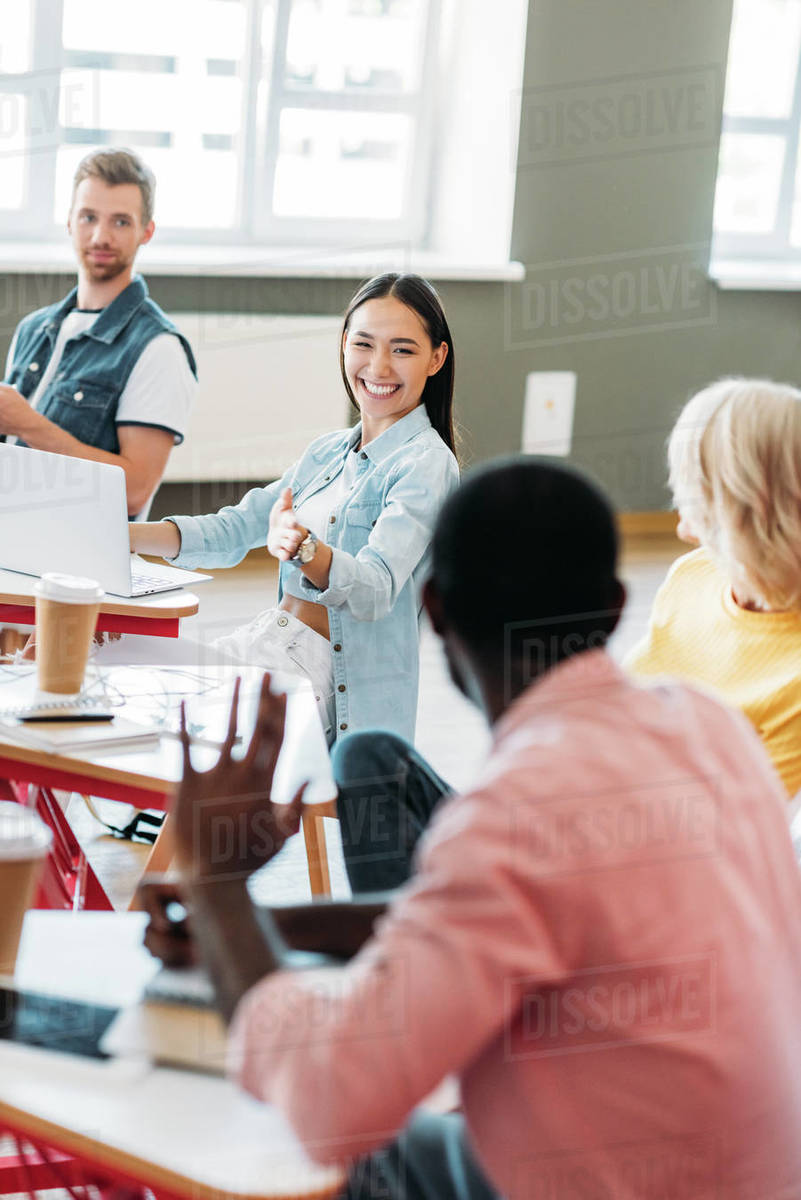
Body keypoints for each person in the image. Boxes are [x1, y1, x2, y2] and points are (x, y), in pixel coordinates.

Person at [142, 458, 801, 1200]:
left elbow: (329, 1104)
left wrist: (215, 879)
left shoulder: (513, 818)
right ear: (617, 608)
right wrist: (267, 924)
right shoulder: (710, 725)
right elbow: (500, 915)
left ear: (435, 611)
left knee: (288, 1141)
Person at [130, 272, 458, 745]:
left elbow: (375, 590)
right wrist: (124, 534)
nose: (379, 366)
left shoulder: (426, 464)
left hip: (323, 681)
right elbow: (235, 528)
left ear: (436, 358)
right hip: (271, 641)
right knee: (123, 674)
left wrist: (307, 550)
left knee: (164, 712)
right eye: (364, 344)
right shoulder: (327, 453)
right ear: (345, 345)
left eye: (403, 350)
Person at [626, 377, 801, 798]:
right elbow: (636, 690)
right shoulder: (694, 574)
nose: (681, 519)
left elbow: (744, 817)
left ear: (749, 508)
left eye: (692, 491)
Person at [1, 147, 197, 518]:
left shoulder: (158, 348)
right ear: (70, 223)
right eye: (89, 217)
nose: (101, 236)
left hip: (79, 560)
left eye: (121, 222)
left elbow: (134, 492)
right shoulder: (33, 329)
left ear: (146, 231)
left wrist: (27, 424)